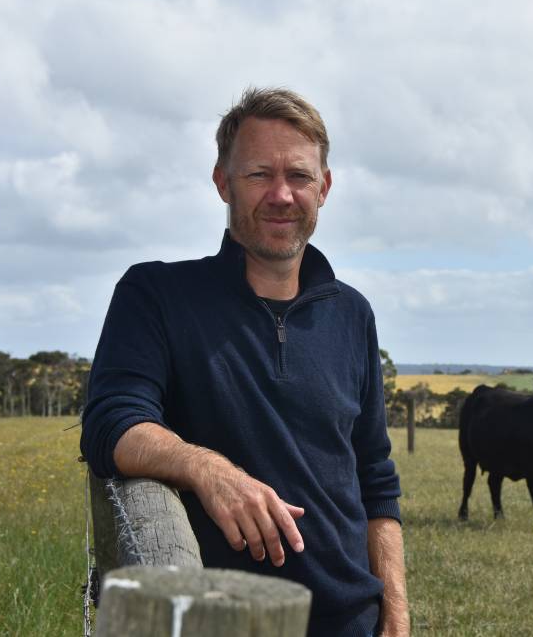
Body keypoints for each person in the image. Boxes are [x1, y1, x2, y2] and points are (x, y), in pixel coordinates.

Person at [80, 87, 409, 637]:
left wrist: (395, 613)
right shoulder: (157, 294)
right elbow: (113, 423)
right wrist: (212, 472)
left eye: (299, 176)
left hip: (351, 621)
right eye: (259, 174)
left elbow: (375, 479)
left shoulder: (352, 314)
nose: (282, 194)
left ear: (324, 188)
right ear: (222, 182)